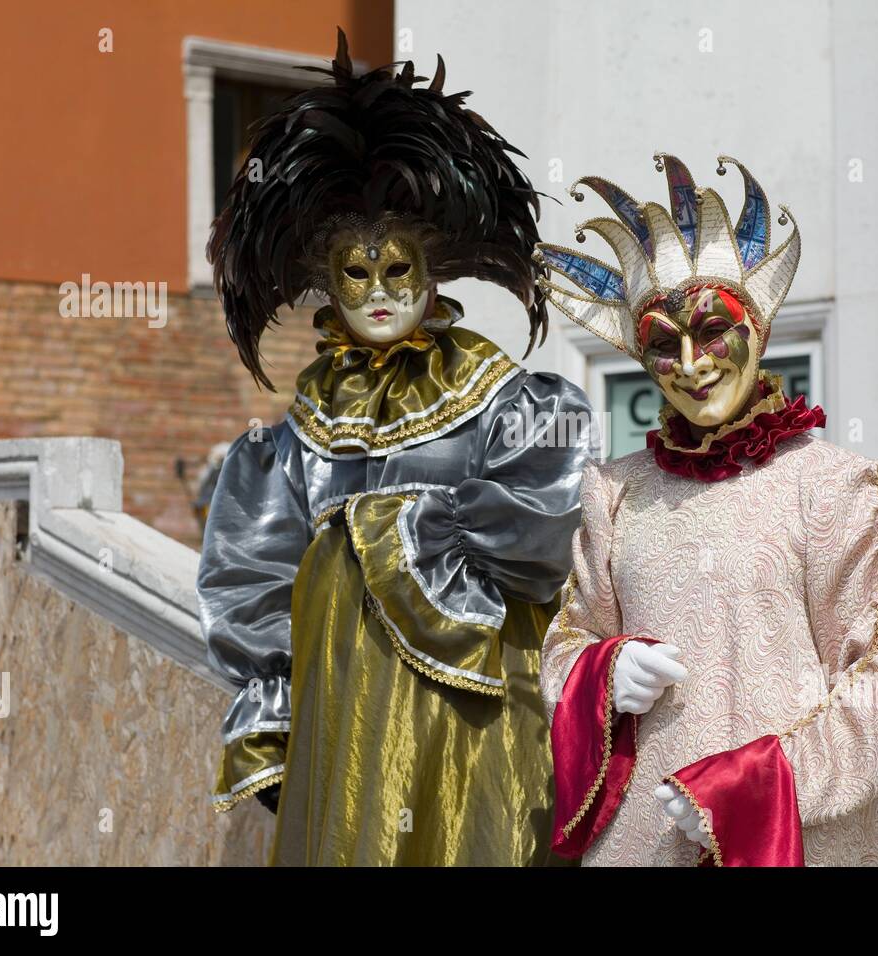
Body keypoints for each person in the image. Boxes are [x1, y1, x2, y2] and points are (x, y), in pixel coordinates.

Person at [199, 28, 594, 865]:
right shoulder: (294, 440)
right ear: (325, 281)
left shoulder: (505, 401)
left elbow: (539, 539)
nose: (378, 293)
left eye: (398, 270)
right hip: (343, 722)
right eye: (355, 272)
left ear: (435, 270)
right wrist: (272, 722)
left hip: (473, 719)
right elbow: (254, 586)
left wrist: (380, 531)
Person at [536, 154, 878, 866]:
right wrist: (602, 672)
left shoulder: (842, 490)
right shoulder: (614, 495)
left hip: (792, 842)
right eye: (664, 342)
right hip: (638, 846)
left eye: (712, 330)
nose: (692, 363)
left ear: (760, 327)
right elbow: (568, 641)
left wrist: (750, 788)